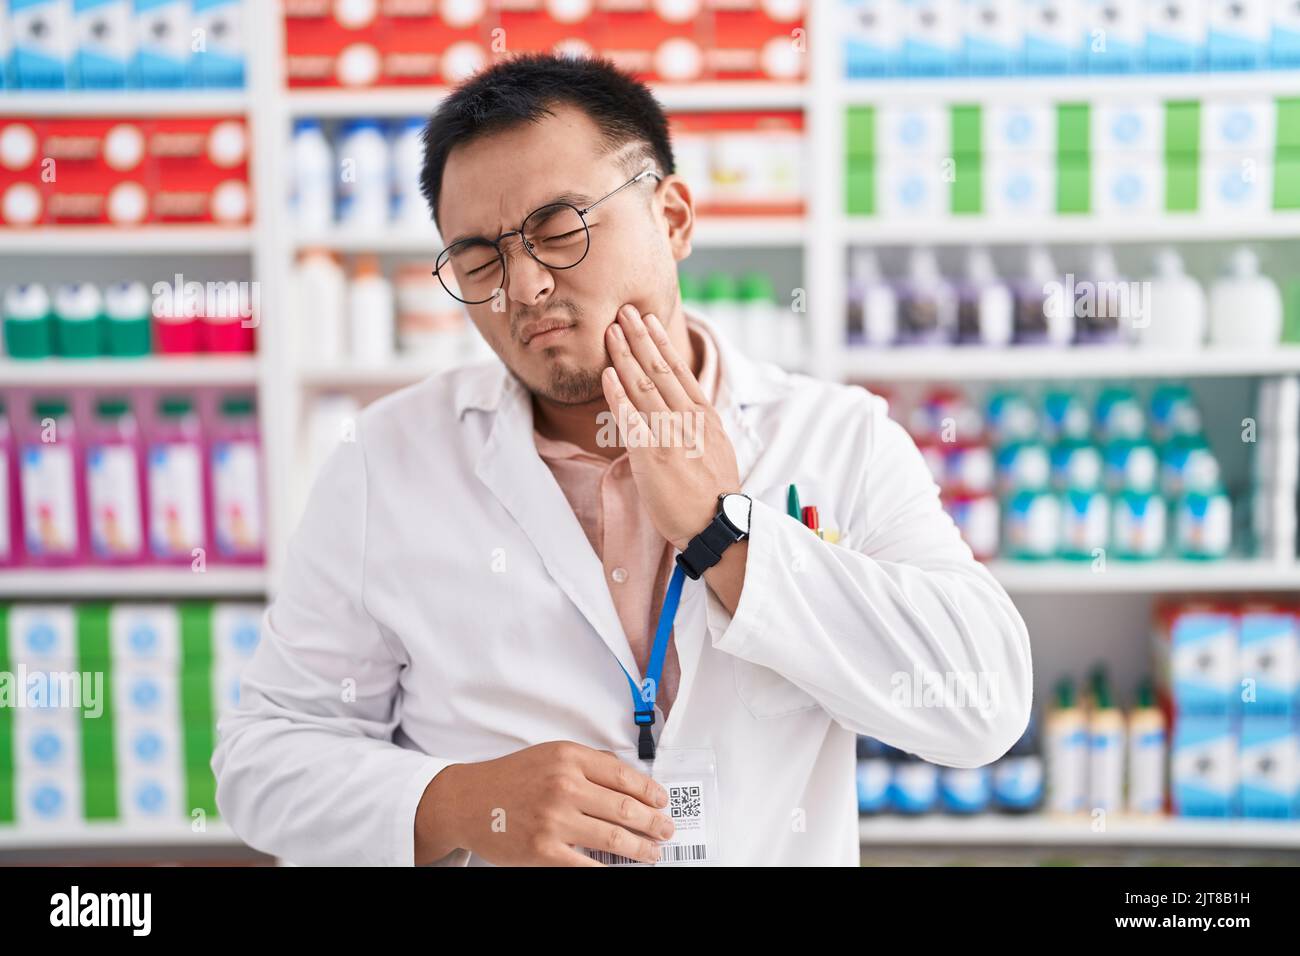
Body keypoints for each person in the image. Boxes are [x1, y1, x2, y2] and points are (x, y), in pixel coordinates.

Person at [212, 53, 1032, 866]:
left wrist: (728, 537)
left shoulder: (838, 437)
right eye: (478, 260)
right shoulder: (385, 461)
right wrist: (458, 802)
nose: (523, 287)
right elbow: (262, 762)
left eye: (559, 232)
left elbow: (981, 705)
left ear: (672, 218)